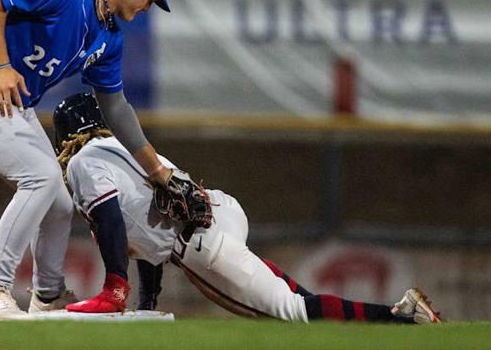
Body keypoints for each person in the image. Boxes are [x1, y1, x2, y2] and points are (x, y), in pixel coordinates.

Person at [0, 0, 199, 319]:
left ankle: (48, 296)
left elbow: (116, 108)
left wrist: (157, 171)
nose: (145, 10)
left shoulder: (109, 36)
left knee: (58, 200)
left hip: (11, 105)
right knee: (40, 179)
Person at [53, 93, 441, 324]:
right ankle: (379, 319)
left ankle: (401, 316)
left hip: (200, 244)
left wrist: (115, 289)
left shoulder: (84, 161)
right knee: (293, 302)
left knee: (291, 314)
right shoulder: (124, 148)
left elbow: (111, 224)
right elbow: (147, 219)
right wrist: (147, 302)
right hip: (220, 211)